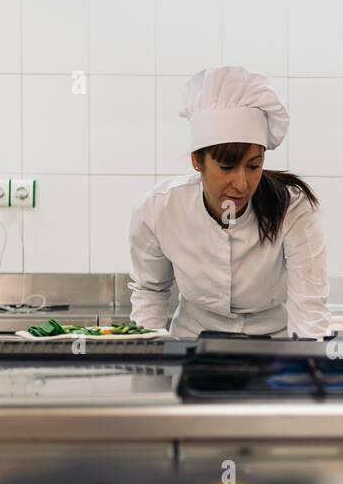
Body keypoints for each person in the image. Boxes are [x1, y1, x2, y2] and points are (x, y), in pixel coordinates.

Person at [128, 66, 331, 339]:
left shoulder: (292, 208)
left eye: (253, 166)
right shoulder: (159, 209)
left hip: (275, 348)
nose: (242, 184)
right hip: (192, 346)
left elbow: (308, 306)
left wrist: (308, 369)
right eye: (226, 167)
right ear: (197, 161)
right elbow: (150, 291)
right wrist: (148, 358)